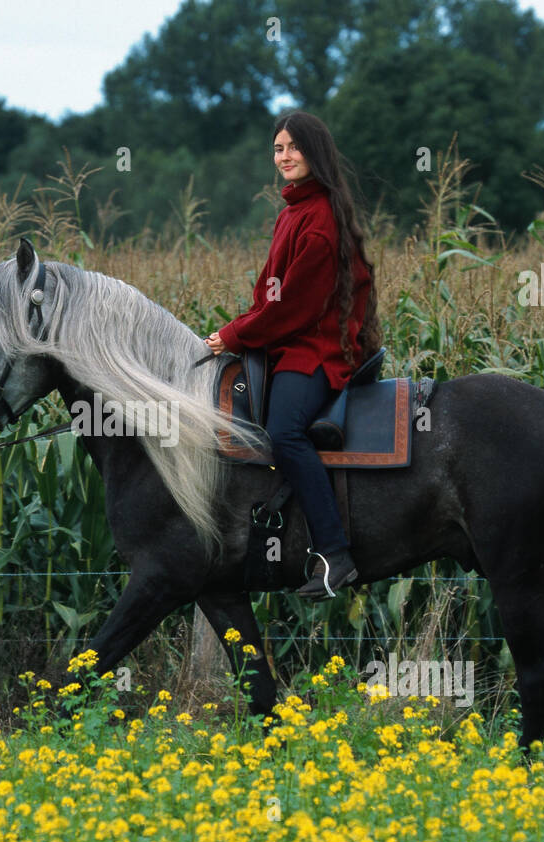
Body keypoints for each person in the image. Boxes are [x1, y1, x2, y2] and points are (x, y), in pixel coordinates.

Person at [204, 110, 381, 600]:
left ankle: (336, 553)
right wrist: (244, 330)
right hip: (287, 340)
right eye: (278, 149)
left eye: (293, 148)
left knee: (283, 432)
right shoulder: (292, 213)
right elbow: (269, 294)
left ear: (314, 153)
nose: (283, 157)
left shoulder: (320, 221)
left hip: (316, 349)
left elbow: (294, 307)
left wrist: (236, 334)